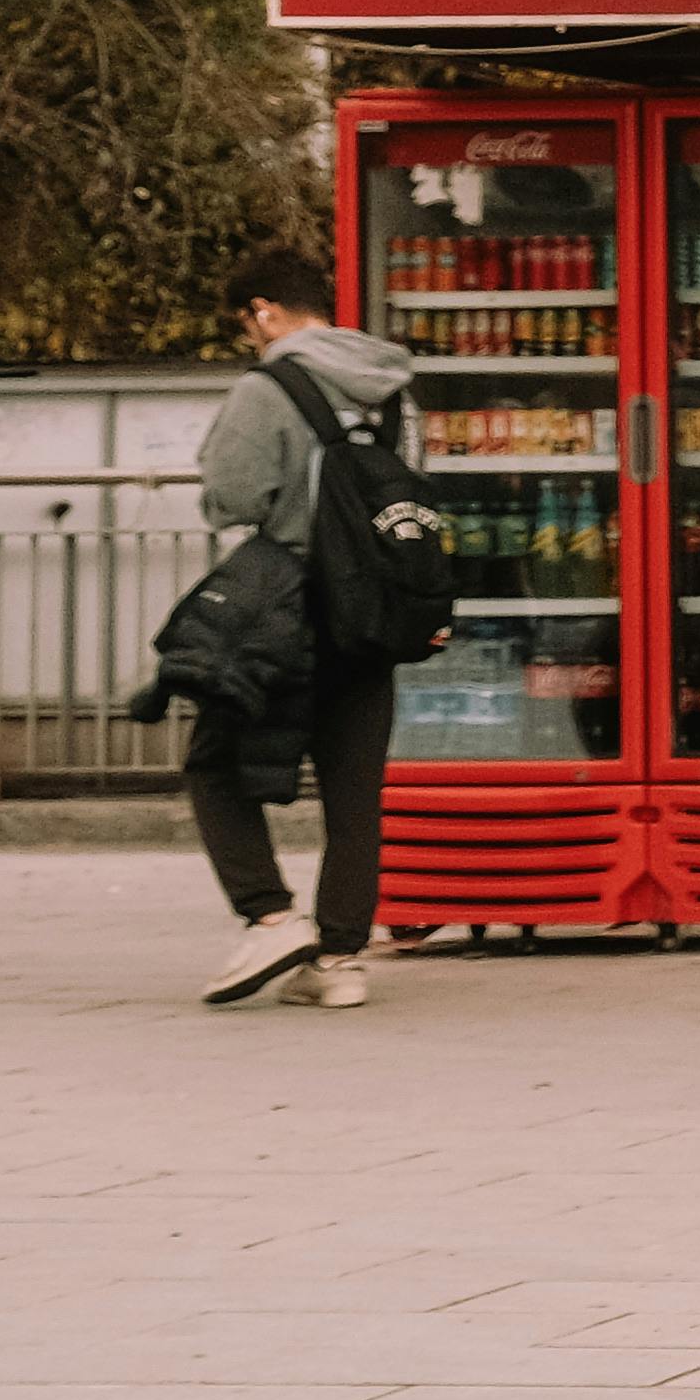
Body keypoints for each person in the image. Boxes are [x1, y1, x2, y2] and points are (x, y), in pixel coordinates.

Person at [188, 247, 421, 1009]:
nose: (250, 338)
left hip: (286, 607)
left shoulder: (268, 387)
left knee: (215, 764)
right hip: (374, 610)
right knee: (355, 792)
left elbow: (233, 495)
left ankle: (269, 917)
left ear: (264, 310)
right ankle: (342, 961)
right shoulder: (392, 389)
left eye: (246, 323)